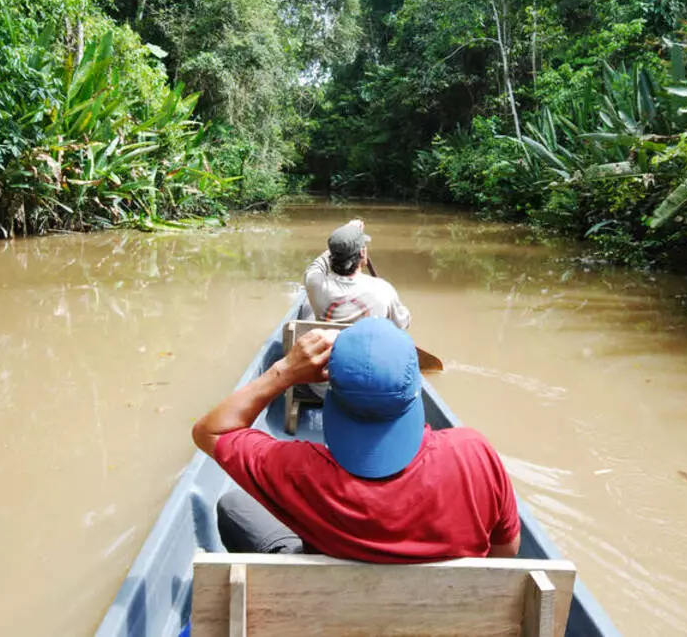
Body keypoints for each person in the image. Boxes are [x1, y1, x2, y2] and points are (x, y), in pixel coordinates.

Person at [191, 317, 521, 562]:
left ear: (330, 394)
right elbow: (504, 554)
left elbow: (211, 431)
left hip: (330, 610)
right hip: (441, 616)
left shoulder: (299, 471)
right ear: (415, 392)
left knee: (233, 505)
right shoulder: (475, 454)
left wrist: (285, 371)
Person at [304, 219, 410, 329]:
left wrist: (342, 239)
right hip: (366, 346)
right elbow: (402, 324)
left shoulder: (314, 283)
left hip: (329, 345)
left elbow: (318, 264)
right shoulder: (383, 290)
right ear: (362, 253)